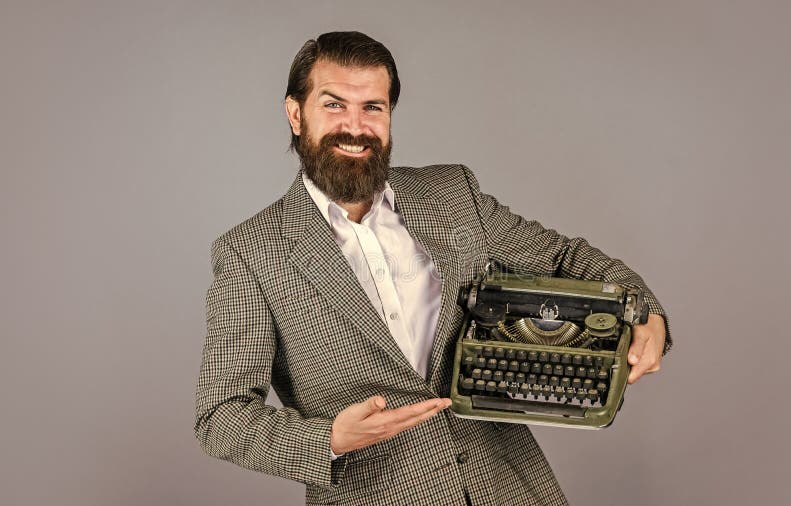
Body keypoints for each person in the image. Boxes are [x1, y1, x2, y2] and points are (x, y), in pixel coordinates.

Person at [194, 31, 670, 506]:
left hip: (514, 489)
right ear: (296, 114)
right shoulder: (250, 252)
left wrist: (645, 310)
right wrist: (329, 440)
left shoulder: (451, 194)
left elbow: (562, 258)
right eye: (334, 105)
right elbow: (221, 417)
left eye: (373, 108)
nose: (355, 127)